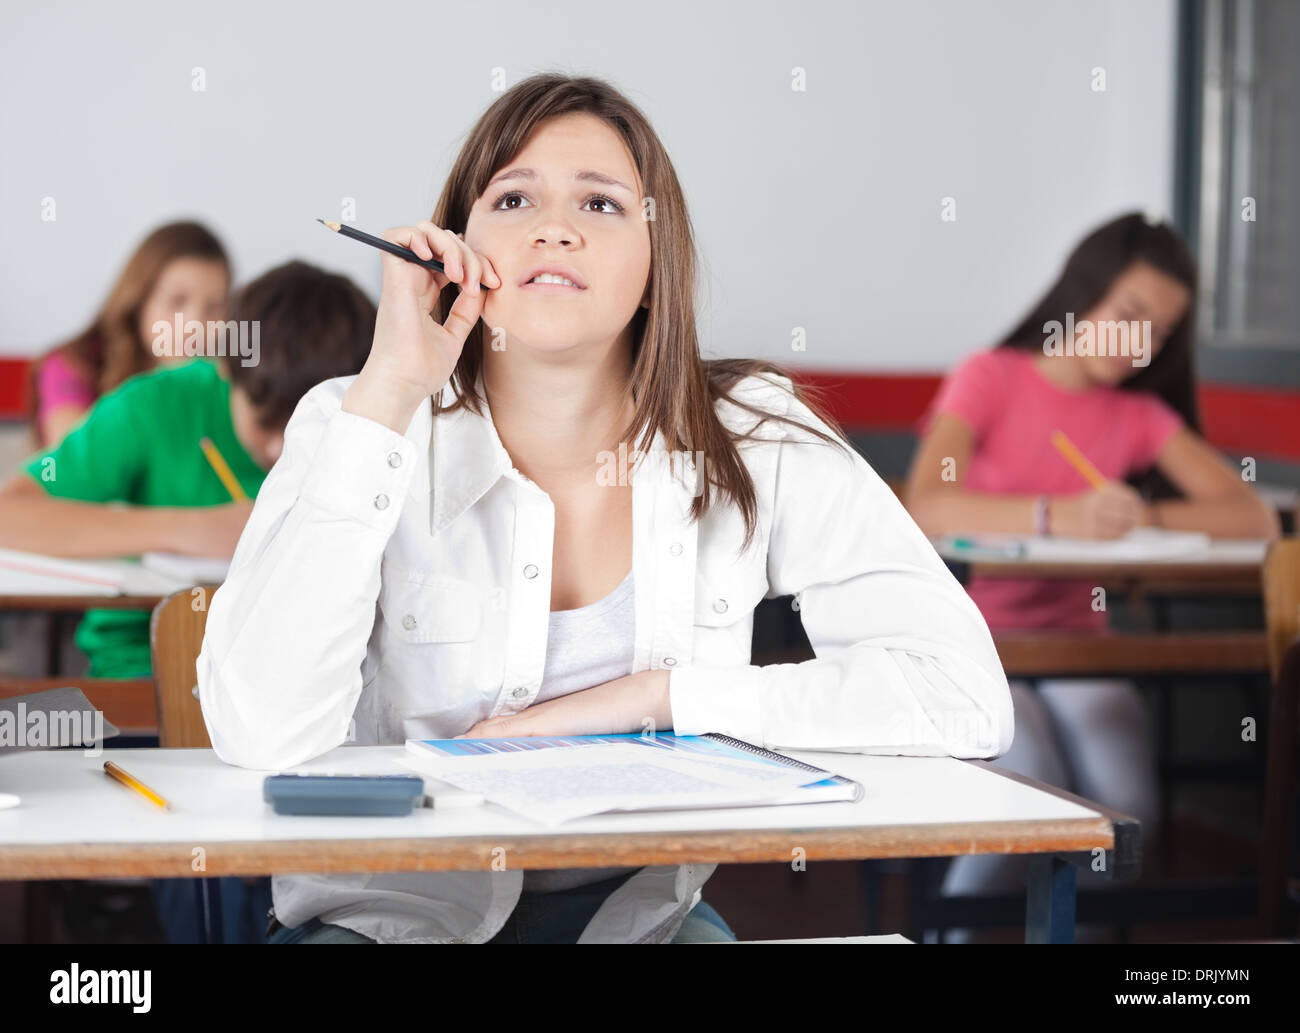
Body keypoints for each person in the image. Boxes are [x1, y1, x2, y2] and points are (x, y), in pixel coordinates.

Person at [198, 73, 1013, 945]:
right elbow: (262, 729)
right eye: (513, 197)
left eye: (602, 203)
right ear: (452, 253)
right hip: (389, 919)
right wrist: (392, 382)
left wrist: (659, 697)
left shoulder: (751, 430)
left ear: (658, 268)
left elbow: (963, 695)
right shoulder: (356, 418)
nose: (556, 225)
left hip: (640, 921)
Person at [904, 212, 1279, 937]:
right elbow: (928, 501)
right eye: (1130, 313)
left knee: (1125, 809)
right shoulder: (991, 377)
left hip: (1083, 646)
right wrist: (1056, 515)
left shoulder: (1136, 414)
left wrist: (1137, 516)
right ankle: (955, 929)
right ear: (1084, 292)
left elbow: (1253, 519)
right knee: (1027, 787)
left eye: (1161, 331)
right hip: (984, 647)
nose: (1141, 342)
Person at [0, 260, 378, 679]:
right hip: (147, 683)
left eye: (303, 429)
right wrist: (190, 531)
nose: (278, 449)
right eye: (264, 423)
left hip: (307, 688)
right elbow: (8, 516)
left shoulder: (370, 423)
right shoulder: (152, 405)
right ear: (226, 368)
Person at [27, 220, 231, 448]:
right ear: (138, 301)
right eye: (176, 301)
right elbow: (72, 463)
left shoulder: (225, 379)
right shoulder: (72, 364)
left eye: (214, 307)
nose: (195, 325)